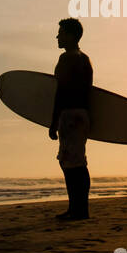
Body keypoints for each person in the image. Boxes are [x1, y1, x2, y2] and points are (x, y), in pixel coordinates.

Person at [49, 18, 92, 221]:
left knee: (71, 164)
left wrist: (53, 121)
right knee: (77, 162)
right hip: (83, 114)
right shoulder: (85, 59)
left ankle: (78, 210)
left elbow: (60, 90)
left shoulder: (66, 59)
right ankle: (78, 208)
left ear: (71, 36)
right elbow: (89, 92)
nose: (57, 36)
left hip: (69, 115)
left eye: (61, 32)